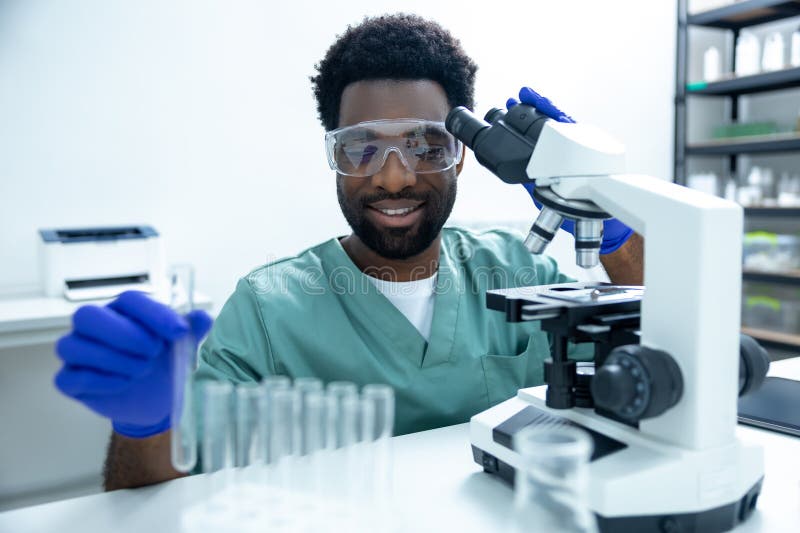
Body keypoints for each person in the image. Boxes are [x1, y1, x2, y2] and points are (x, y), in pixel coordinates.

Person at [54, 13, 643, 490]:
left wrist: (612, 216)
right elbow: (154, 495)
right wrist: (142, 426)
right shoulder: (269, 310)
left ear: (462, 153)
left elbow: (654, 369)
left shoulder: (517, 270)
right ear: (330, 154)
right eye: (360, 147)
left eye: (423, 144)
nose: (392, 179)